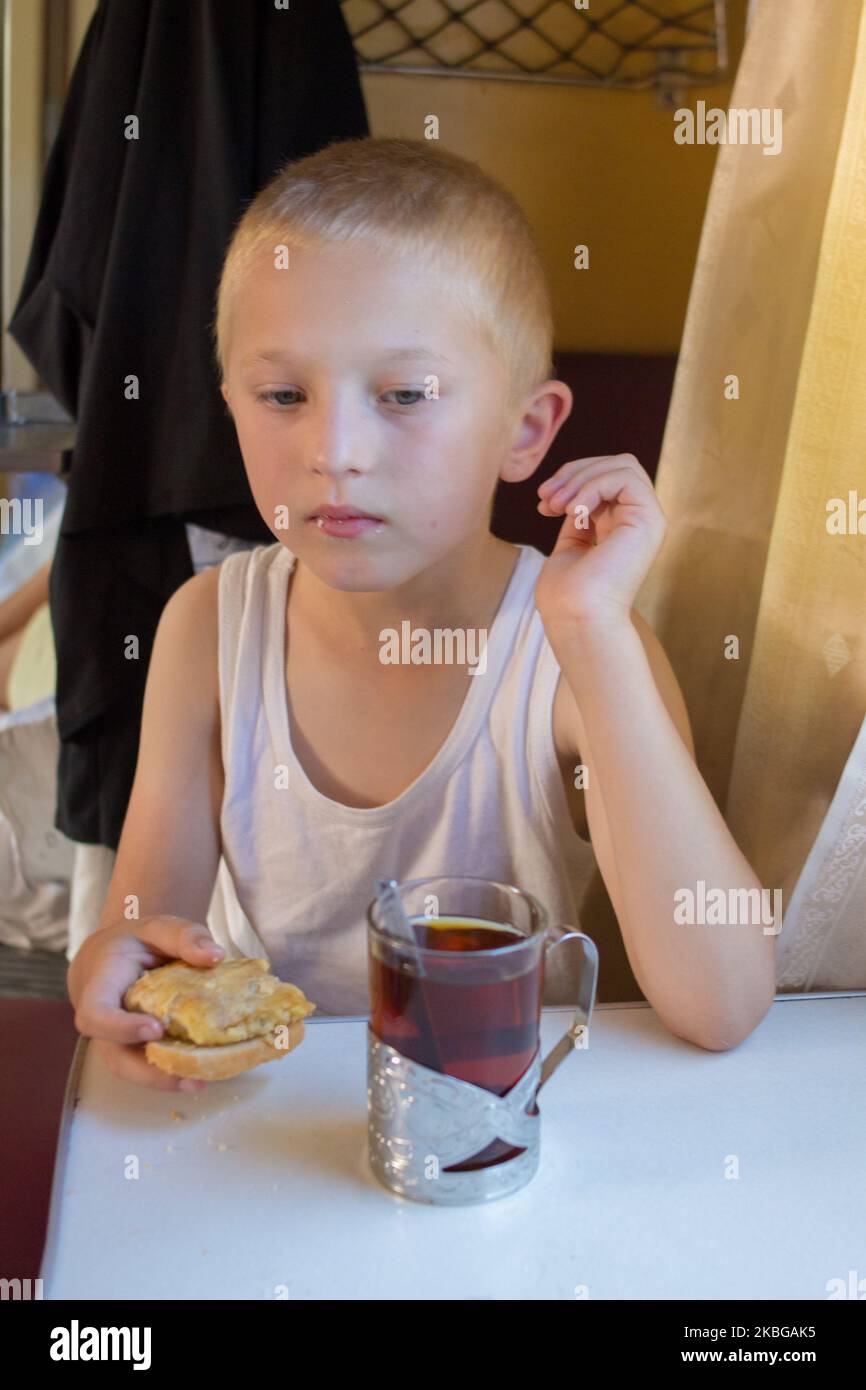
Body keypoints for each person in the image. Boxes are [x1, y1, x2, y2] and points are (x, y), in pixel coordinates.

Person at [68, 137, 776, 1095]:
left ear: (525, 430)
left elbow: (723, 1003)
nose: (335, 450)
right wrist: (112, 967)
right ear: (229, 403)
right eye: (283, 395)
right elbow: (144, 931)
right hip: (281, 1137)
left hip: (509, 1131)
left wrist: (595, 631)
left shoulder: (573, 647)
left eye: (404, 395)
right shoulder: (207, 628)